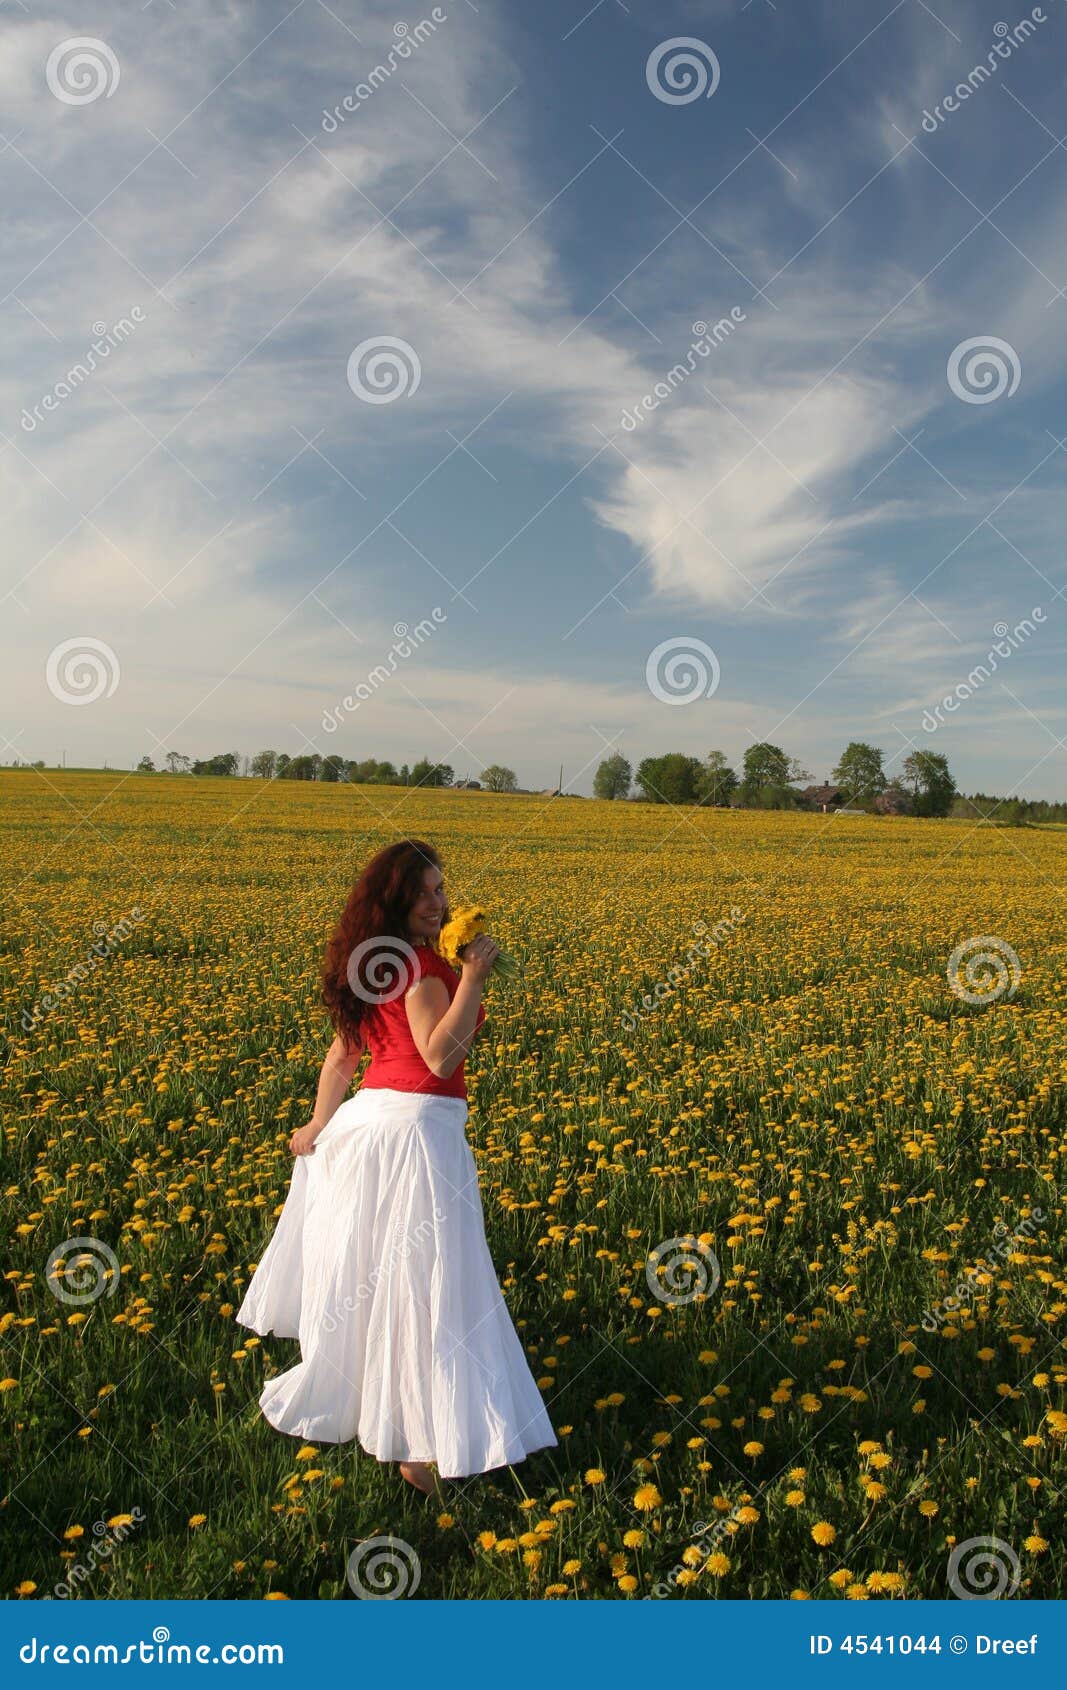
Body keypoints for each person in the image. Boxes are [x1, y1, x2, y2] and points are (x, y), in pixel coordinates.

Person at [235, 838, 557, 1494]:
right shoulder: (422, 969)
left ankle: (380, 1411)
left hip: (367, 1124)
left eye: (443, 888)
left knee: (377, 1277)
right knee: (431, 1285)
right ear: (397, 900)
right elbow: (440, 1057)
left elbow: (341, 1060)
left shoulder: (377, 967)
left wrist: (319, 1126)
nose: (440, 902)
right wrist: (471, 979)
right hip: (418, 1133)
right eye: (427, 891)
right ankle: (414, 1445)